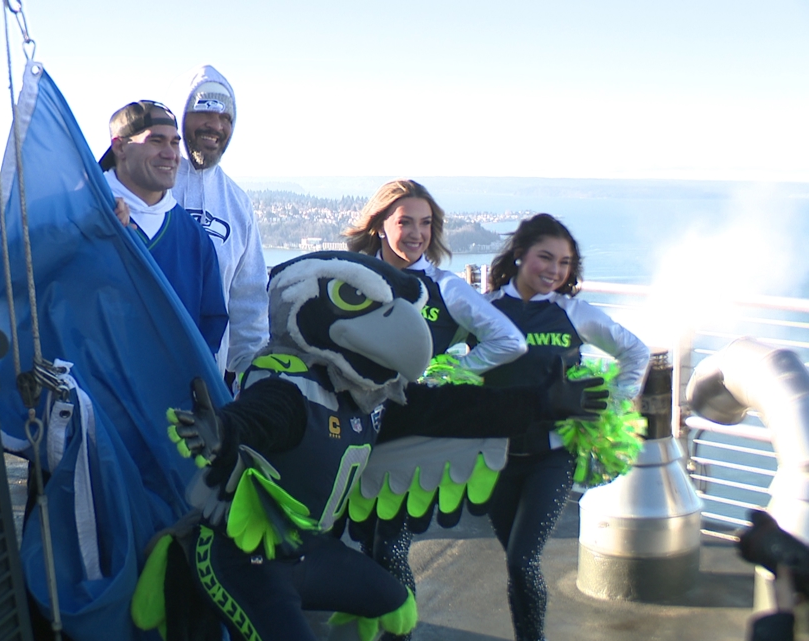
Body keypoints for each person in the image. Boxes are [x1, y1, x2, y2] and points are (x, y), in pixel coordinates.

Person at [133, 251, 608, 641]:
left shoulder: (369, 398)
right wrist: (225, 431)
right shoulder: (290, 387)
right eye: (354, 299)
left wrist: (542, 403)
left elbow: (455, 410)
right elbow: (262, 416)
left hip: (304, 549)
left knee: (394, 603)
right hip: (238, 558)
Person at [343, 179, 527, 640]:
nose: (416, 233)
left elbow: (509, 341)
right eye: (405, 222)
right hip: (350, 427)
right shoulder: (350, 279)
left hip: (410, 434)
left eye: (426, 224)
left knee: (391, 546)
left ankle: (397, 635)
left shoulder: (445, 287)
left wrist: (449, 372)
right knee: (359, 542)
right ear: (381, 225)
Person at [480, 213, 650, 641]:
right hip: (492, 459)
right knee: (515, 562)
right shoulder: (483, 310)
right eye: (545, 258)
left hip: (552, 457)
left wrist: (610, 404)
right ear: (519, 254)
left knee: (522, 560)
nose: (555, 271)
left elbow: (635, 351)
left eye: (565, 262)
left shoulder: (574, 313)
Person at [98, 99, 228, 354]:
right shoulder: (81, 214)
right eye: (155, 141)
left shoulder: (193, 237)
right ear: (120, 147)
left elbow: (209, 327)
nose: (170, 154)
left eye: (174, 143)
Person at [170, 65, 269, 380]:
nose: (216, 125)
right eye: (205, 112)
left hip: (209, 383)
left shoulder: (237, 205)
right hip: (138, 374)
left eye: (226, 117)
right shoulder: (146, 185)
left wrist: (252, 377)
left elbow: (248, 302)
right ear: (180, 115)